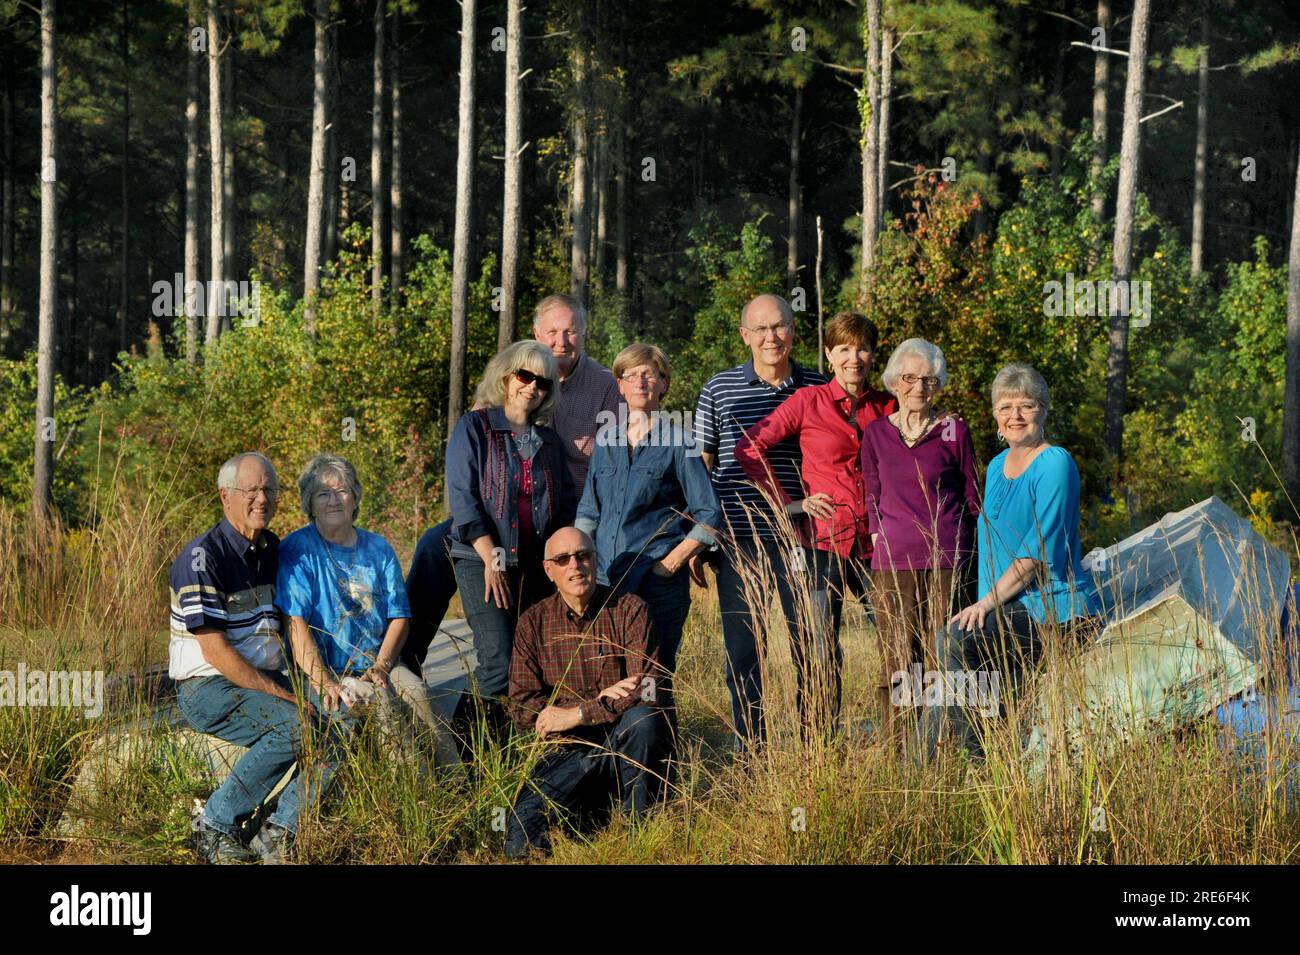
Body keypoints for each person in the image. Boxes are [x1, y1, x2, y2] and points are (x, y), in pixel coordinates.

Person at [403, 295, 619, 673]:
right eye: (552, 331)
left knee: (519, 642)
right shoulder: (518, 371)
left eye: (570, 331)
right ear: (537, 333)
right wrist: (489, 553)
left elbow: (616, 460)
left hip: (568, 514)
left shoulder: (604, 385)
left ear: (583, 334)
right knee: (436, 545)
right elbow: (471, 464)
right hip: (499, 510)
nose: (561, 340)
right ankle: (402, 660)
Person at [168, 452, 341, 864]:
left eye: (269, 489)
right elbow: (216, 652)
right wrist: (283, 695)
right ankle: (215, 825)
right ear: (225, 496)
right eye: (252, 490)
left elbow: (293, 626)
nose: (262, 498)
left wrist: (322, 683)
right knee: (298, 728)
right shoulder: (202, 559)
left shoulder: (272, 549)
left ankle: (279, 832)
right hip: (208, 685)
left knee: (343, 720)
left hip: (264, 678)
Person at [735, 311, 897, 739]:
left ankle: (903, 740)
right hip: (822, 543)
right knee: (820, 648)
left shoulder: (888, 406)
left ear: (873, 354)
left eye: (862, 348)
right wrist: (790, 503)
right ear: (829, 355)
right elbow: (749, 447)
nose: (853, 357)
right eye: (843, 348)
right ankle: (818, 747)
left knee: (898, 642)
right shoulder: (809, 402)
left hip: (878, 545)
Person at [692, 293, 828, 748]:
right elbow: (702, 465)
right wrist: (699, 535)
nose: (772, 338)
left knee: (814, 645)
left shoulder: (818, 385)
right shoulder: (719, 389)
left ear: (793, 330)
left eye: (781, 326)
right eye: (762, 329)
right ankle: (754, 748)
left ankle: (817, 747)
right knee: (746, 649)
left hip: (805, 539)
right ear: (745, 336)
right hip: (739, 537)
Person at [945, 363, 1103, 752]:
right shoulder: (997, 466)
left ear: (1044, 410)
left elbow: (1036, 555)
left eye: (1026, 405)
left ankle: (972, 757)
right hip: (1009, 606)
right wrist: (987, 603)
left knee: (954, 639)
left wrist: (984, 604)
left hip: (1053, 609)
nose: (1014, 416)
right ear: (995, 416)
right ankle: (995, 759)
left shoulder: (1055, 463)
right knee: (1000, 690)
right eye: (1005, 406)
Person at [276, 453, 458, 769]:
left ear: (356, 497)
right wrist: (324, 682)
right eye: (323, 494)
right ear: (309, 503)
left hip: (380, 659)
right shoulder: (297, 549)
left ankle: (455, 783)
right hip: (328, 668)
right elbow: (295, 623)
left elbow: (400, 615)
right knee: (383, 705)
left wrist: (382, 666)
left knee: (420, 696)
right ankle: (413, 795)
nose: (334, 500)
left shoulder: (378, 547)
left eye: (342, 490)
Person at [505, 528, 671, 858]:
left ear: (596, 560)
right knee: (520, 843)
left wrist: (579, 713)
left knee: (644, 719)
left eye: (583, 556)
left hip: (624, 743)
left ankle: (638, 828)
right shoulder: (533, 623)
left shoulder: (629, 609)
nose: (575, 566)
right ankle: (589, 815)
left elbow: (650, 687)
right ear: (548, 570)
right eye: (563, 559)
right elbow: (521, 705)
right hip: (569, 749)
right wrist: (585, 711)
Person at [446, 340, 576, 730]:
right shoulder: (475, 427)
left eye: (543, 382)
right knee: (498, 661)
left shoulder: (549, 442)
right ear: (506, 377)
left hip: (534, 567)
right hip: (481, 559)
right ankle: (467, 748)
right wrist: (491, 558)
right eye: (525, 376)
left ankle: (513, 753)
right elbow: (463, 500)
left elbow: (563, 508)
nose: (532, 387)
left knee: (530, 662)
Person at [575, 343, 721, 691]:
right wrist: (578, 558)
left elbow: (709, 514)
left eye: (649, 374)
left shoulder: (680, 442)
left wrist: (671, 562)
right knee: (608, 676)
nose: (640, 381)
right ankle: (614, 746)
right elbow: (588, 510)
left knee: (654, 677)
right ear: (620, 385)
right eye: (631, 375)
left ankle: (663, 747)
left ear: (663, 384)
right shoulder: (605, 441)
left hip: (657, 584)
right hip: (607, 582)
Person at [861, 338, 980, 746]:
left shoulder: (954, 431)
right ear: (895, 382)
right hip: (893, 563)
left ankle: (939, 747)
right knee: (897, 658)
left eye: (928, 380)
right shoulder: (877, 433)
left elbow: (972, 495)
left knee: (942, 655)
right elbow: (872, 491)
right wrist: (879, 534)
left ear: (938, 385)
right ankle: (900, 748)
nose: (918, 388)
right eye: (909, 378)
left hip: (948, 559)